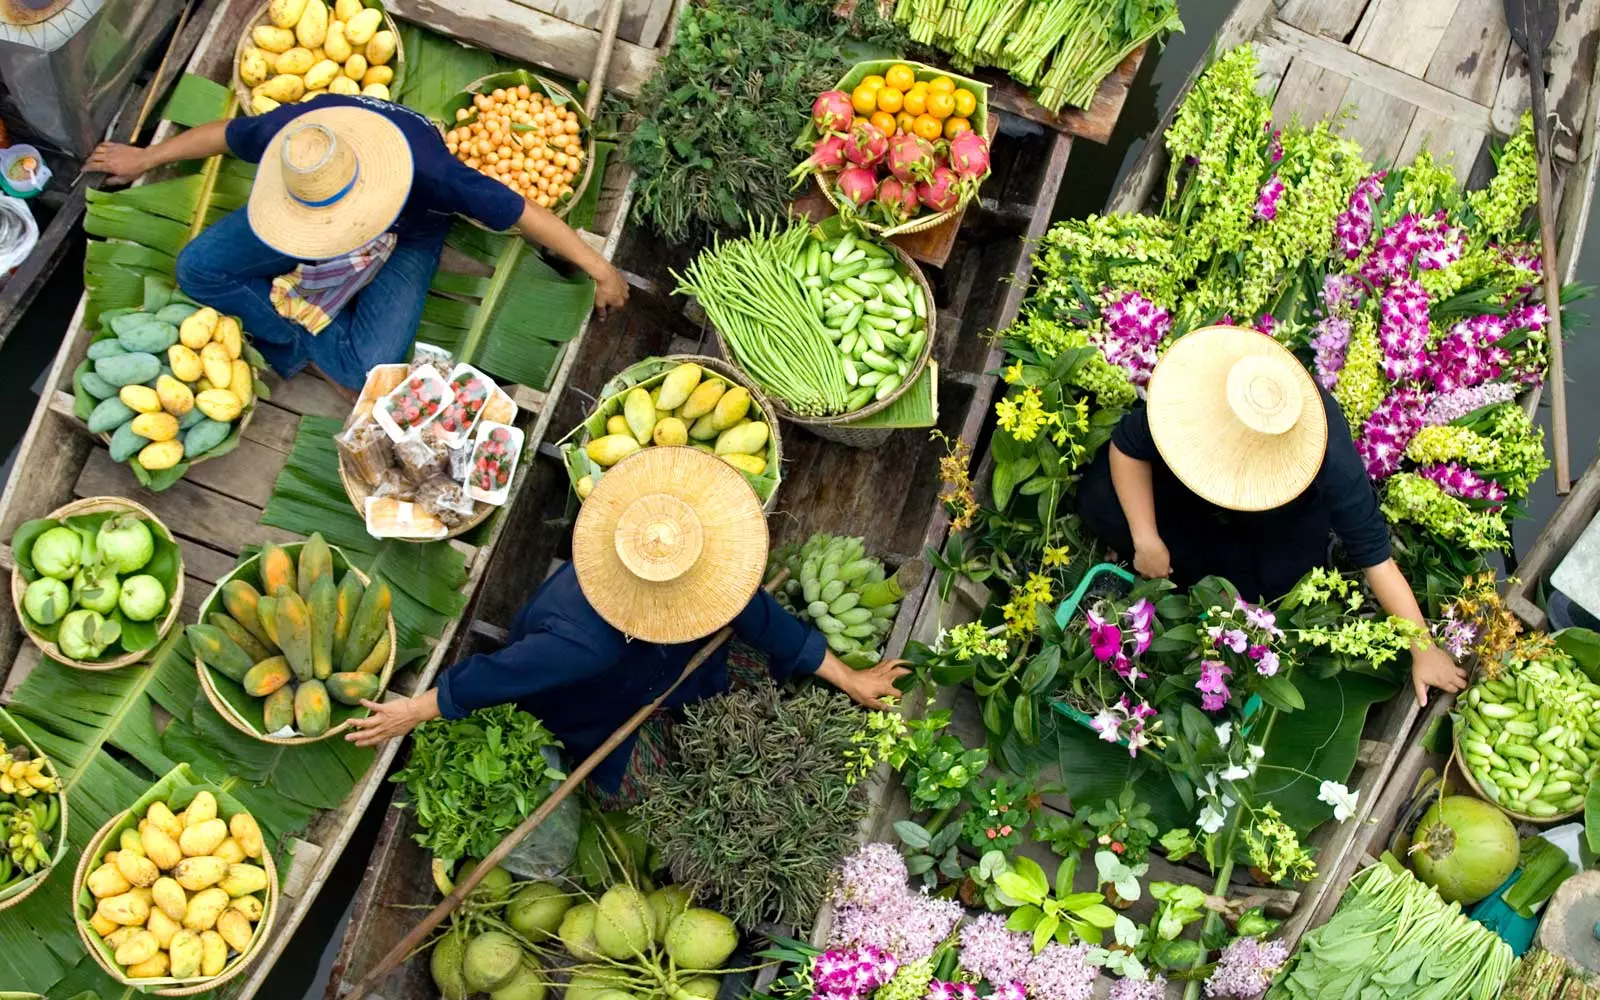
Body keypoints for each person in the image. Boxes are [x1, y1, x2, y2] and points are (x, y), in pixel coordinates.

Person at [345, 446, 907, 804]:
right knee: (641, 788)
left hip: (664, 661)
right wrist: (415, 710)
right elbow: (499, 675)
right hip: (598, 699)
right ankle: (647, 734)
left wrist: (850, 680)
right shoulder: (579, 644)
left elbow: (761, 617)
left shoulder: (702, 565)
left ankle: (681, 698)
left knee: (759, 665)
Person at [84, 94, 629, 390]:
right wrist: (145, 157)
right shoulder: (305, 134)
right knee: (197, 269)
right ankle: (292, 322)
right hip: (302, 214)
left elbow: (526, 213)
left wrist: (600, 270)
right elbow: (228, 134)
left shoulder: (435, 174)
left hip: (408, 234)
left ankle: (291, 312)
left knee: (365, 371)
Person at [1077, 325, 1466, 708]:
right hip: (1182, 489)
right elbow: (1127, 448)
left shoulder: (1329, 460)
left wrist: (1424, 647)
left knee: (1268, 591)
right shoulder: (1192, 398)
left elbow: (1376, 558)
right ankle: (1172, 560)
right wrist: (1146, 538)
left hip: (1280, 521)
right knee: (1100, 500)